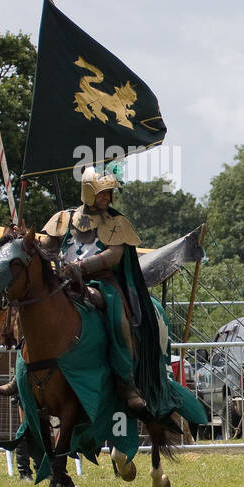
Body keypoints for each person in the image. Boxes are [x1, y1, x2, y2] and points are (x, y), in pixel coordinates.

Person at [35, 166, 148, 414]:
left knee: (118, 317)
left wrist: (82, 267)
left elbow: (114, 255)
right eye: (102, 193)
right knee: (34, 311)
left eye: (109, 193)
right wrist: (33, 245)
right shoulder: (63, 219)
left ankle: (127, 383)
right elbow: (46, 247)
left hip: (101, 282)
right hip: (62, 283)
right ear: (88, 193)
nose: (107, 197)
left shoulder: (116, 222)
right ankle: (21, 373)